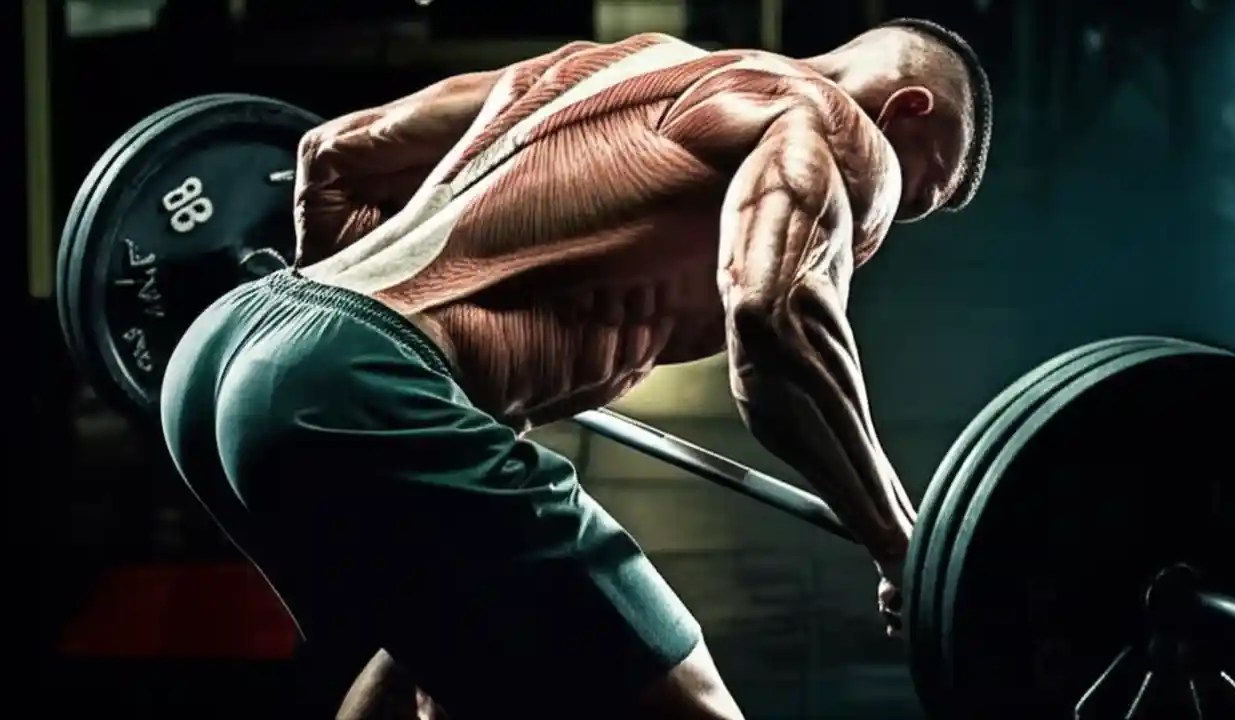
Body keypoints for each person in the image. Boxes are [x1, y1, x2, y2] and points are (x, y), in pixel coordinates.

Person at [160, 18, 992, 720]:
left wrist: (325, 357)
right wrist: (900, 543)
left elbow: (333, 153)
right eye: (917, 192)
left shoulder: (618, 63)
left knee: (434, 651)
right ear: (908, 110)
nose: (886, 222)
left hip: (220, 355)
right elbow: (774, 322)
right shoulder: (834, 125)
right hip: (351, 386)